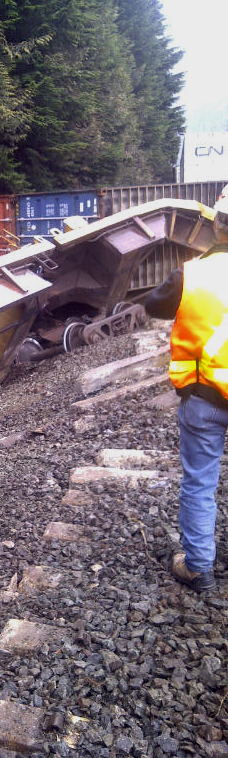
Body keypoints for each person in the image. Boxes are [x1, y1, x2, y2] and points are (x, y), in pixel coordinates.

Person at [145, 198, 228, 593]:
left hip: (203, 396)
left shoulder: (190, 275)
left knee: (200, 483)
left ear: (217, 226)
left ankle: (199, 570)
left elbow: (154, 307)